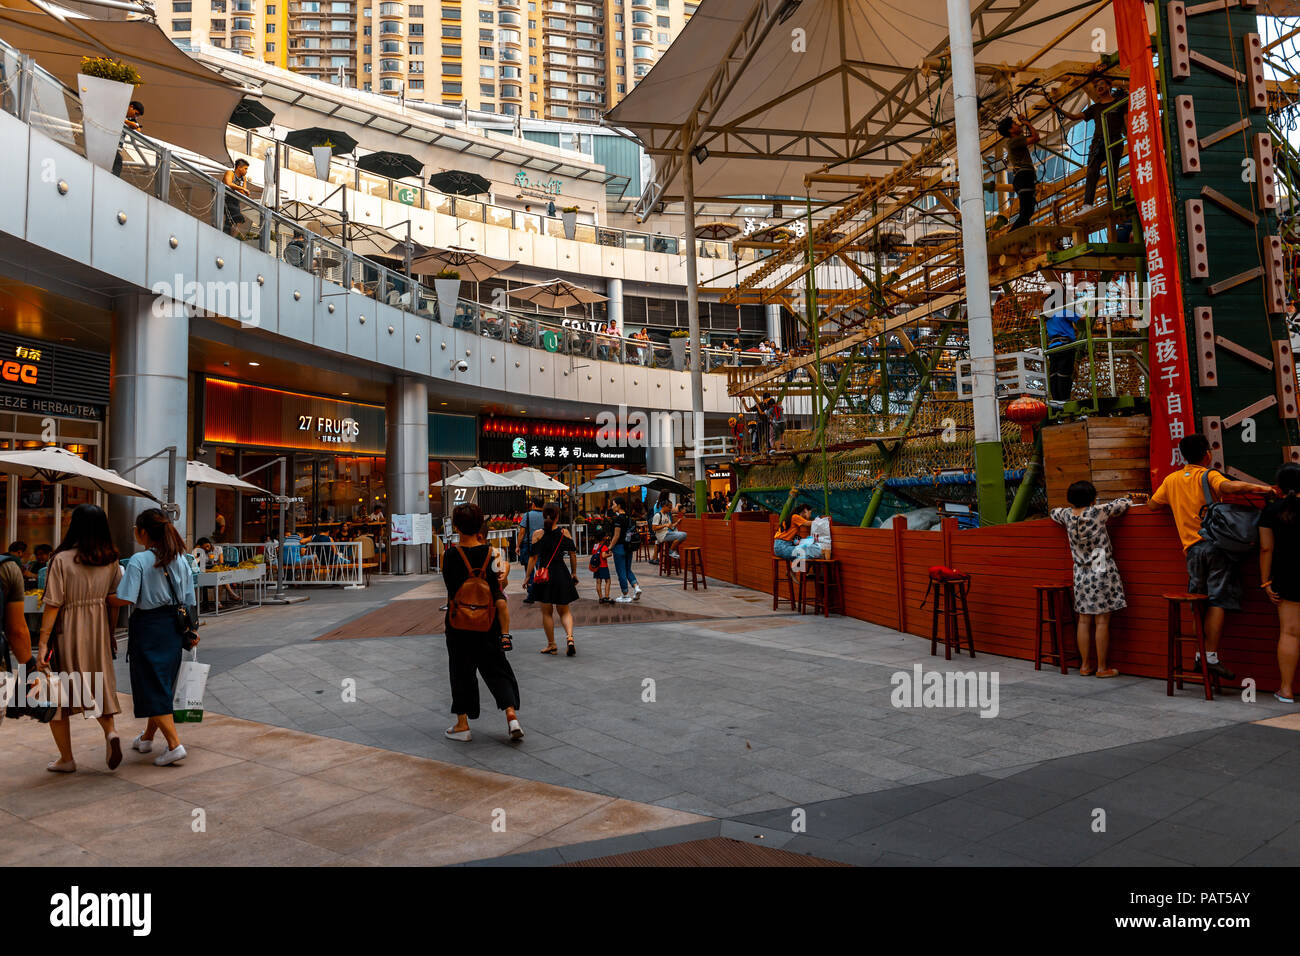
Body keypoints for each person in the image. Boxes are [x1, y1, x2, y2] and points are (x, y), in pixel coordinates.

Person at [1148, 434, 1274, 680]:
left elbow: (1153, 505)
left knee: (1199, 602)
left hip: (1191, 552)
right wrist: (1263, 489)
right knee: (1218, 600)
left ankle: (1199, 656)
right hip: (1215, 547)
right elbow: (1231, 487)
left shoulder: (1171, 479)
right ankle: (1210, 657)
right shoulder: (1208, 475)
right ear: (1207, 454)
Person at [35, 505, 124, 773]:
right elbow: (113, 600)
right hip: (97, 630)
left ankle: (67, 758)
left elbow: (53, 604)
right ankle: (110, 733)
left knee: (57, 696)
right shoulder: (111, 559)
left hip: (66, 632)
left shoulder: (61, 559)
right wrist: (110, 633)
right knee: (97, 684)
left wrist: (42, 643)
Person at [109, 508, 196, 767]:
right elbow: (189, 598)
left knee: (151, 683)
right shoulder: (181, 558)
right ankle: (147, 738)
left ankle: (174, 745)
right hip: (174, 627)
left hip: (149, 627)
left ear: (143, 532)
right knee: (161, 682)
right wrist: (193, 630)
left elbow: (126, 598)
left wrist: (100, 598)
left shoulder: (139, 560)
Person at [441, 502, 522, 742]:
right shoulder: (492, 553)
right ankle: (511, 716)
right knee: (497, 667)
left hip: (459, 623)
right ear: (480, 526)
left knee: (461, 671)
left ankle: (462, 724)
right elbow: (500, 586)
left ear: (456, 526)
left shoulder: (450, 555)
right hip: (489, 621)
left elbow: (451, 589)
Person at [1050, 481, 1131, 678]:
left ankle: (1085, 665)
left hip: (1080, 569)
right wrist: (1127, 498)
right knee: (1102, 620)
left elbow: (1053, 512)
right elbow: (1123, 504)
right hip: (1099, 563)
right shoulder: (1097, 512)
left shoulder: (1067, 515)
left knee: (1084, 620)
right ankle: (1102, 668)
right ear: (1093, 498)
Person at [1259, 463, 1300, 702]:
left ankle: (1286, 689)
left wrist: (1265, 582)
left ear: (1279, 486)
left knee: (1290, 633)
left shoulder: (1271, 511)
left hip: (1287, 576)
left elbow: (1266, 548)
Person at [1056, 76, 1127, 207]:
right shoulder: (1095, 108)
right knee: (1092, 171)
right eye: (1096, 86)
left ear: (1109, 86)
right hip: (1098, 142)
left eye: (1102, 84)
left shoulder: (1119, 103)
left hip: (1114, 141)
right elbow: (1075, 117)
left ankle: (1111, 200)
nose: (1099, 87)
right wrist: (1059, 110)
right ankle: (1087, 204)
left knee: (1112, 171)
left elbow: (1127, 120)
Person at [527, 502, 579, 656]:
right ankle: (570, 638)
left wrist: (526, 577)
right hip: (561, 573)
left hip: (545, 576)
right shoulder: (565, 533)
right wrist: (574, 572)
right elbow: (572, 554)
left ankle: (552, 645)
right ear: (557, 516)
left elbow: (533, 558)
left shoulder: (537, 534)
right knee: (564, 611)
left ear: (544, 516)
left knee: (547, 612)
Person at [998, 116, 1039, 231]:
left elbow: (1032, 137)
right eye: (1015, 124)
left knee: (1027, 212)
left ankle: (1017, 235)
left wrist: (1025, 124)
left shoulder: (1015, 141)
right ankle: (1011, 235)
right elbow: (1035, 137)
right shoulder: (1014, 141)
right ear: (1011, 130)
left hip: (1023, 178)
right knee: (1026, 213)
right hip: (1024, 176)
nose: (1018, 125)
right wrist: (1028, 123)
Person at [609, 496, 642, 604]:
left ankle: (625, 594)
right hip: (629, 547)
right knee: (628, 569)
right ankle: (636, 587)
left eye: (613, 504)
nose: (612, 506)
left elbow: (616, 536)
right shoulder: (629, 517)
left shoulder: (618, 519)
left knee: (621, 572)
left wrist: (609, 547)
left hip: (619, 548)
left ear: (618, 506)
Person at [1045, 306, 1081, 403]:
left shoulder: (1048, 316)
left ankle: (1057, 401)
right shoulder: (1063, 311)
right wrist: (1095, 309)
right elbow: (1082, 319)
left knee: (1054, 375)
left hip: (1052, 348)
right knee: (1064, 374)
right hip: (1065, 346)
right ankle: (1065, 401)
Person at [517, 496, 546, 604]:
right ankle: (542, 592)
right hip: (542, 545)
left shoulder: (527, 515)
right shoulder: (545, 515)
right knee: (541, 569)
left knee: (528, 569)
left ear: (533, 504)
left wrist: (517, 546)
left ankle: (531, 594)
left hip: (528, 545)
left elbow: (522, 532)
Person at [111, 100, 144, 177]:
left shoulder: (132, 120)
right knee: (118, 161)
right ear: (131, 107)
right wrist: (128, 123)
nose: (135, 117)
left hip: (116, 147)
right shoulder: (118, 111)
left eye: (137, 116)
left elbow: (138, 130)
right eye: (136, 114)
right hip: (108, 142)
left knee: (117, 160)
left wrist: (134, 127)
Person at [222, 158, 252, 237]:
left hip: (235, 202)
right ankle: (228, 235)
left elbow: (242, 192)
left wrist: (244, 192)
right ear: (239, 167)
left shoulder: (243, 178)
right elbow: (229, 183)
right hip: (225, 199)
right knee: (238, 218)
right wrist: (242, 189)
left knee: (234, 221)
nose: (246, 171)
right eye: (245, 169)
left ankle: (229, 236)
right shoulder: (230, 173)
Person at [591, 533, 613, 604]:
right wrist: (610, 554)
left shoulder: (595, 546)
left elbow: (593, 554)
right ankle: (606, 597)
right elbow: (603, 556)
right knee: (608, 581)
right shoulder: (604, 546)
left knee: (598, 582)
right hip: (603, 566)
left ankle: (600, 598)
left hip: (596, 566)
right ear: (603, 538)